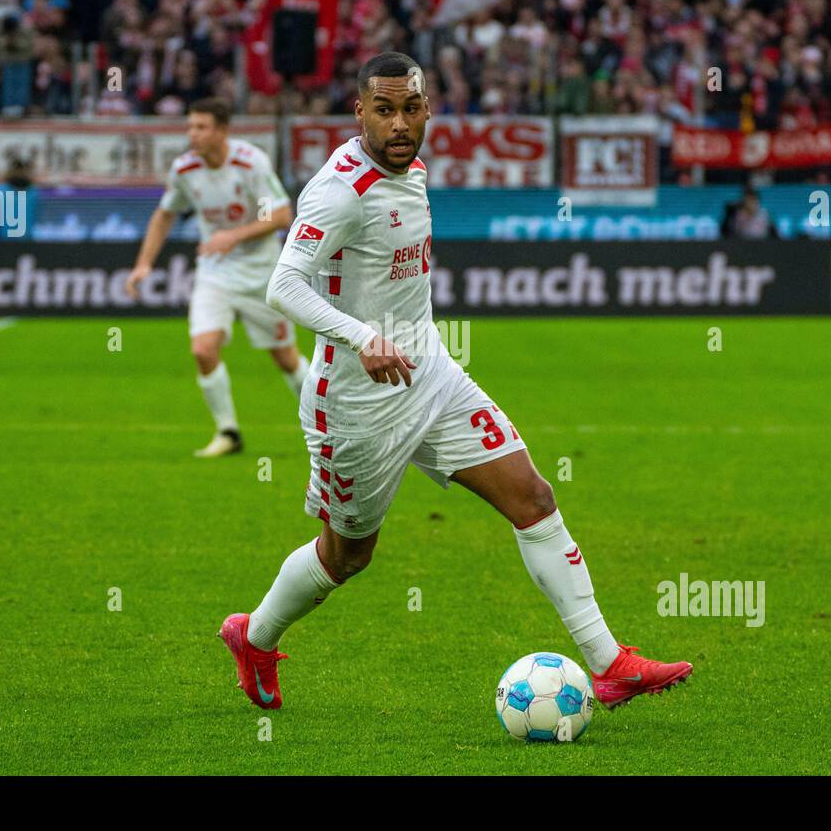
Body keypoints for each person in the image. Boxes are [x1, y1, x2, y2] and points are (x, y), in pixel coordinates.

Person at [218, 52, 692, 710]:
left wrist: (401, 341)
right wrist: (362, 337)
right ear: (359, 112)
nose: (399, 123)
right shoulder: (338, 191)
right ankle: (256, 636)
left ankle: (611, 665)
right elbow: (282, 284)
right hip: (354, 403)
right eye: (384, 110)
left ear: (427, 108)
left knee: (532, 496)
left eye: (411, 108)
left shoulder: (411, 169)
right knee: (347, 556)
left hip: (430, 374)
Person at [126, 98, 308, 456]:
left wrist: (230, 237)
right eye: (191, 126)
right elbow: (165, 215)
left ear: (222, 130)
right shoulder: (185, 169)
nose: (193, 134)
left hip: (262, 274)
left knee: (285, 358)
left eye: (201, 127)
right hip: (216, 274)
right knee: (202, 349)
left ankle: (327, 422)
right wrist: (143, 263)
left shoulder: (250, 162)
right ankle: (228, 432)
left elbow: (282, 214)